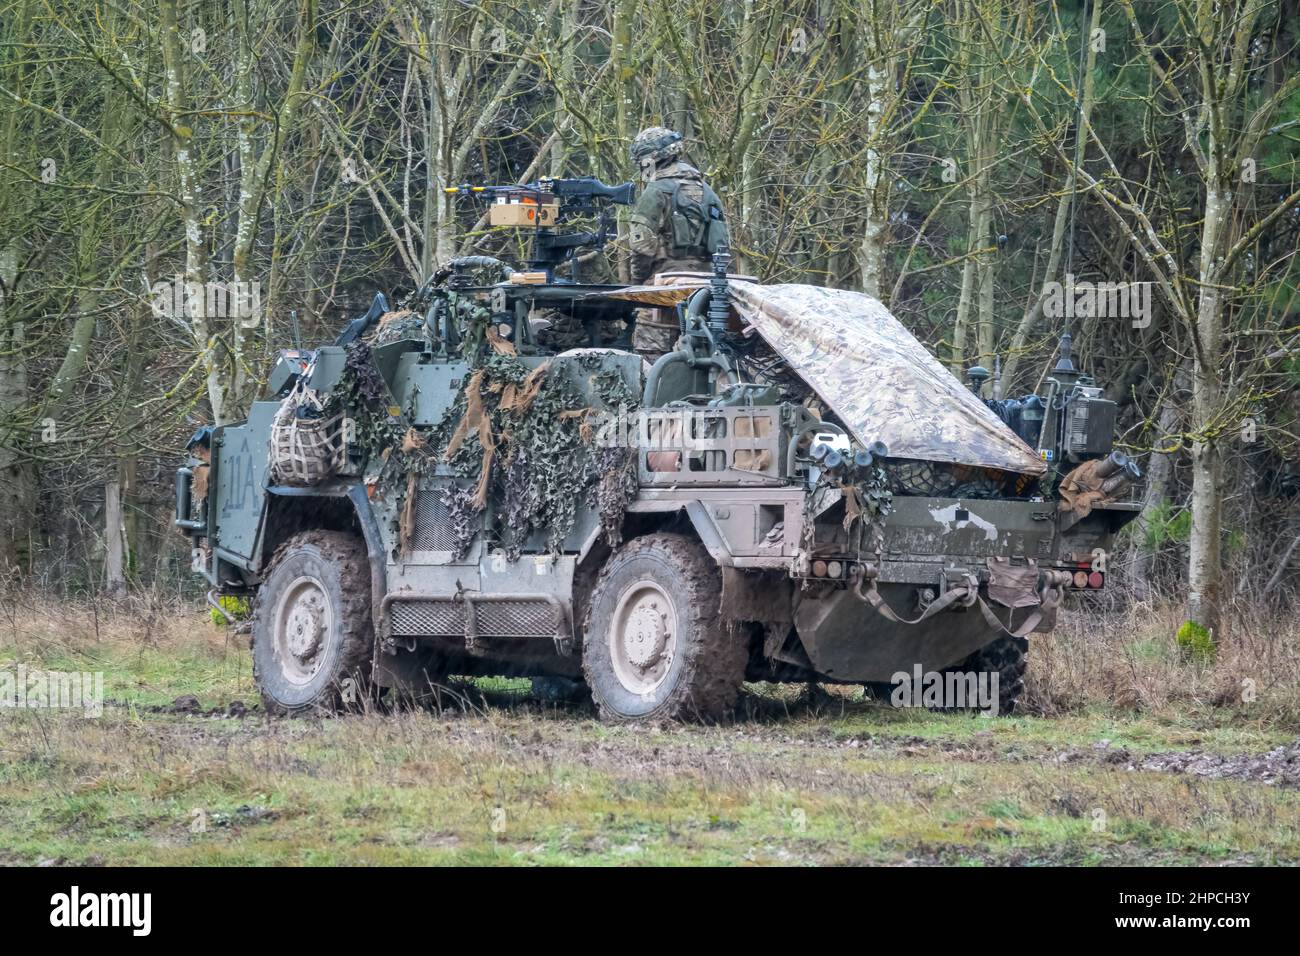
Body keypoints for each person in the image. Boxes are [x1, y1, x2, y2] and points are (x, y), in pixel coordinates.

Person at [627, 126, 729, 359]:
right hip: (705, 291)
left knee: (650, 360)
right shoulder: (709, 192)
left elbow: (641, 247)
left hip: (664, 291)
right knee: (703, 358)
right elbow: (723, 247)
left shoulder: (655, 191)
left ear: (651, 159)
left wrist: (638, 286)